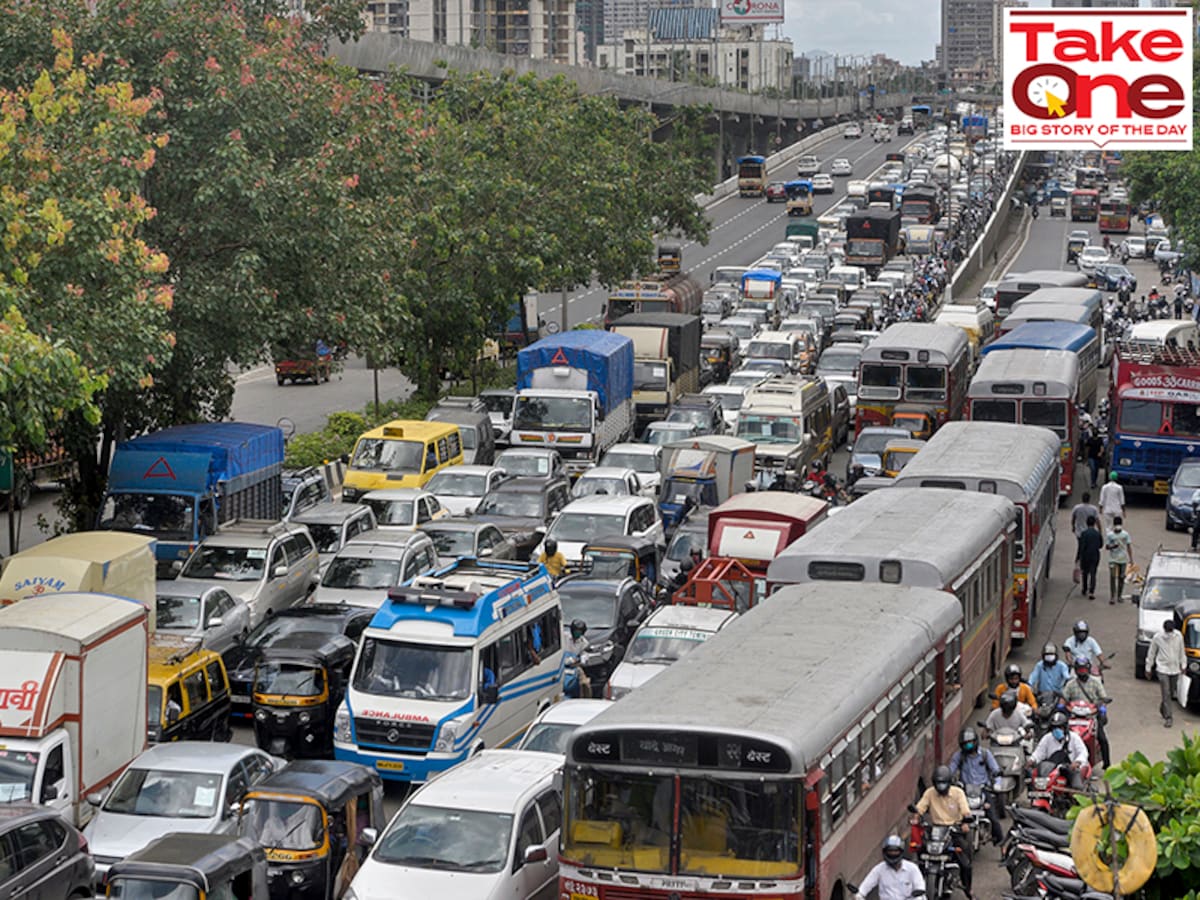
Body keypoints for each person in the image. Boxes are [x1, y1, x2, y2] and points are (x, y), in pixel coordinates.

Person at [913, 766, 974, 899]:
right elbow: (920, 807)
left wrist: (965, 821)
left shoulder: (958, 793)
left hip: (954, 830)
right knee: (919, 851)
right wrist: (916, 816)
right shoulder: (929, 793)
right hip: (935, 830)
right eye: (938, 784)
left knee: (965, 863)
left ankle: (968, 889)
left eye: (944, 783)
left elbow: (965, 809)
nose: (941, 786)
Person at [948, 728, 1003, 843]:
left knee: (993, 818)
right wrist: (947, 779)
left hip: (983, 790)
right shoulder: (958, 756)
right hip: (965, 791)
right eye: (965, 744)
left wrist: (997, 783)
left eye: (970, 743)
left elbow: (995, 769)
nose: (968, 746)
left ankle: (1000, 843)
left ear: (975, 741)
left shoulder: (985, 754)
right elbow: (951, 770)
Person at [1061, 656, 1111, 769]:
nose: (1082, 672)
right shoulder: (1070, 684)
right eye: (1079, 670)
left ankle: (1107, 763)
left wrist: (1102, 708)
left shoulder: (1096, 682)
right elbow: (1064, 698)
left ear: (1088, 670)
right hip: (1074, 715)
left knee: (1101, 737)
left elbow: (1103, 698)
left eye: (1084, 670)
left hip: (1091, 715)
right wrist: (1061, 705)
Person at [854, 835, 926, 900]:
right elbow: (866, 885)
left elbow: (920, 887)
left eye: (895, 851)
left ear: (901, 852)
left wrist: (917, 894)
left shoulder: (912, 868)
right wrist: (859, 895)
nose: (893, 853)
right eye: (890, 851)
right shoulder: (879, 869)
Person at [1030, 710, 1089, 791]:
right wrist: (1032, 760)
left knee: (1076, 788)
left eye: (1060, 727)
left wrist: (1077, 762)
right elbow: (1039, 752)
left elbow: (1083, 752)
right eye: (1054, 728)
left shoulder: (1074, 738)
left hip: (1070, 769)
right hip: (1051, 770)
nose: (1057, 730)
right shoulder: (1047, 738)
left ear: (1065, 727)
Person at [1146, 617, 1186, 728]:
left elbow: (1182, 652)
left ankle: (1163, 707)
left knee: (1171, 693)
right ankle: (1169, 717)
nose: (1169, 633)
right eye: (1168, 631)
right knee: (1166, 692)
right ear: (1164, 629)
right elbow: (1151, 653)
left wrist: (1183, 665)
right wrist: (1148, 668)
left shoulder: (1178, 637)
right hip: (1162, 669)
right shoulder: (1158, 638)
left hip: (1175, 669)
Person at [1104, 516, 1133, 604]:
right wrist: (1113, 546)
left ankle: (1119, 596)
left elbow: (1129, 546)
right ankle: (1112, 596)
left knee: (1121, 577)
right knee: (1112, 577)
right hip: (1113, 559)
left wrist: (1131, 559)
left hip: (1123, 559)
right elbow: (1107, 547)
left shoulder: (1125, 534)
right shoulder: (1110, 535)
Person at [1076, 514, 1104, 600]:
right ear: (1095, 523)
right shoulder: (1098, 534)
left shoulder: (1084, 534)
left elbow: (1081, 547)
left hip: (1085, 556)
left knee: (1085, 573)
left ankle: (1084, 589)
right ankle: (1091, 591)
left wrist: (1078, 558)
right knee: (1093, 573)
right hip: (1095, 555)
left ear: (1087, 523)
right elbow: (1101, 545)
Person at [564, 619, 592, 698]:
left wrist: (581, 659)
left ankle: (585, 700)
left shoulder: (584, 643)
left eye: (579, 631)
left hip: (575, 667)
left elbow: (585, 655)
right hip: (561, 666)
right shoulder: (564, 637)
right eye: (576, 631)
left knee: (585, 684)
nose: (577, 633)